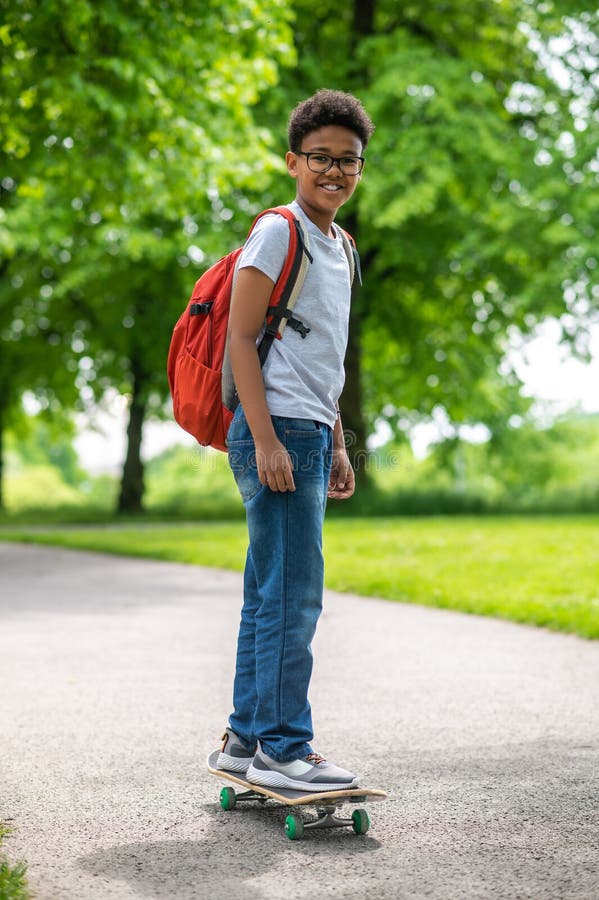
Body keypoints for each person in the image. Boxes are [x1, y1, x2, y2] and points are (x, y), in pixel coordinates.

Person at [216, 89, 375, 791]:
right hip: (273, 430)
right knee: (293, 596)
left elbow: (322, 359)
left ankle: (246, 739)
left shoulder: (340, 244)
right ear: (293, 161)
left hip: (309, 429)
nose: (334, 171)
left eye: (347, 161)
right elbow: (240, 341)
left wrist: (336, 442)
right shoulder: (278, 231)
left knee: (269, 593)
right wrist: (266, 438)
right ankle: (284, 748)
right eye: (320, 158)